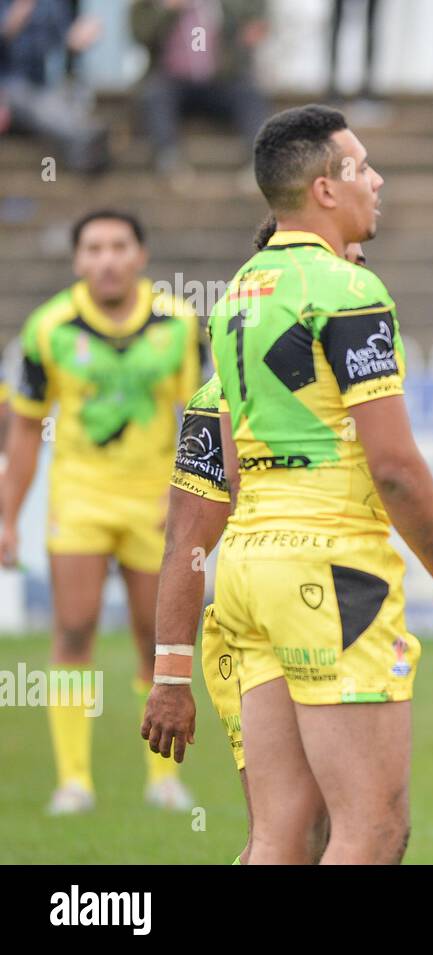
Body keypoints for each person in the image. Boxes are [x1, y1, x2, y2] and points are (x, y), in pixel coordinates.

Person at [205, 104, 433, 864]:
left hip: (246, 564)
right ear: (325, 189)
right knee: (372, 829)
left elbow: (229, 456)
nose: (378, 180)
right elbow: (393, 468)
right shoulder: (348, 289)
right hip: (330, 568)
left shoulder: (239, 291)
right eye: (361, 167)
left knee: (281, 832)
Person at [1, 208, 201, 815]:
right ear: (77, 260)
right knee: (73, 631)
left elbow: (202, 418)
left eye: (118, 246)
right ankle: (74, 782)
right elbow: (26, 429)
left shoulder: (179, 322)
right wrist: (7, 516)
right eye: (93, 248)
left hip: (155, 504)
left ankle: (163, 780)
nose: (107, 259)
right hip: (79, 500)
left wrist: (193, 503)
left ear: (141, 255)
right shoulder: (49, 328)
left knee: (155, 639)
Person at [130, 0, 270, 181]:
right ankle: (168, 158)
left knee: (249, 93)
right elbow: (142, 34)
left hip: (218, 82)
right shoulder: (151, 5)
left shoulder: (225, 7)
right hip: (172, 83)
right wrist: (168, 10)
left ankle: (259, 160)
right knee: (154, 95)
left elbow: (249, 25)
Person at [0, 0, 109, 172]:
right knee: (35, 102)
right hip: (8, 87)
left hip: (38, 88)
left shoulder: (50, 5)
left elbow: (66, 38)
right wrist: (10, 25)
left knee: (55, 100)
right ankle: (82, 137)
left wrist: (77, 37)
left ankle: (83, 143)